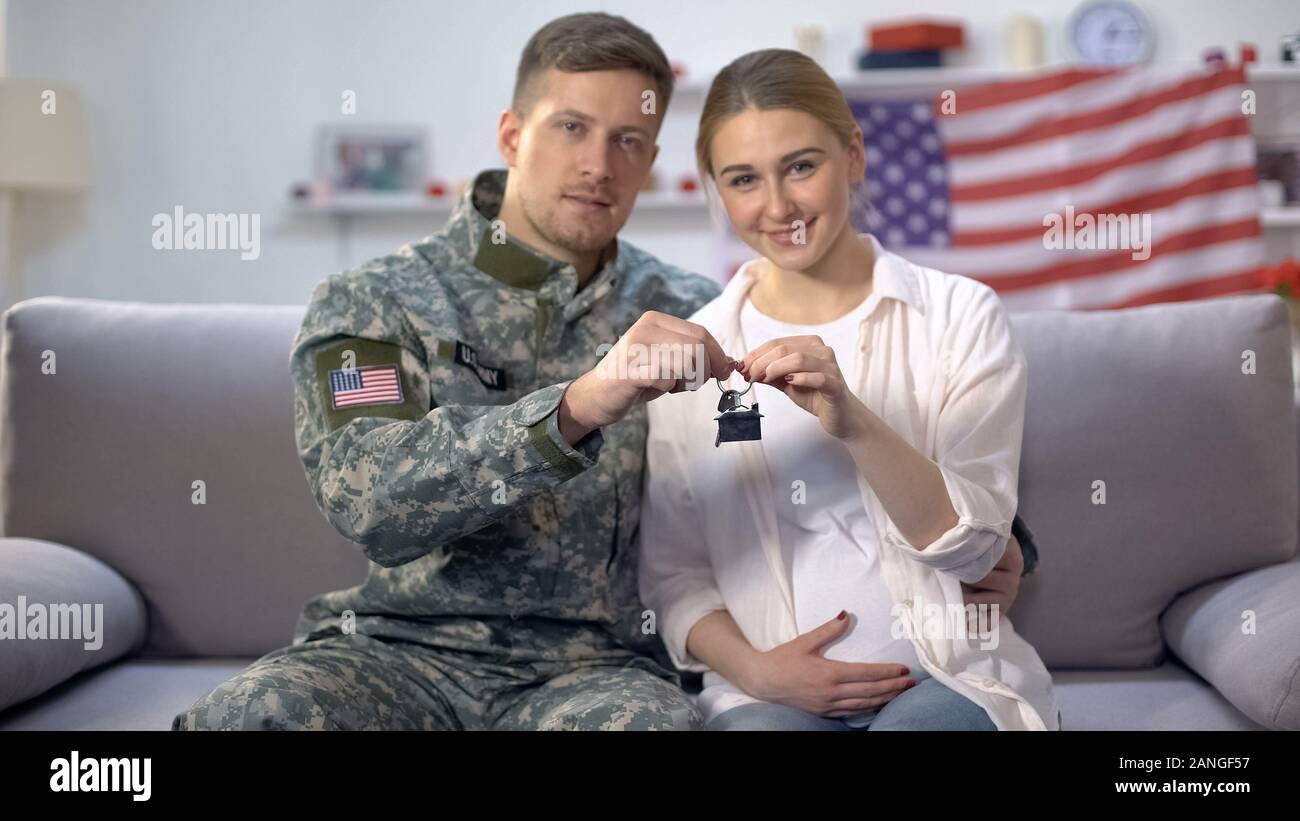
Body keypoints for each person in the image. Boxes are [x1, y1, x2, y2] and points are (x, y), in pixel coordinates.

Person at [173, 15, 1033, 732]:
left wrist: (1010, 547)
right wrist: (579, 405)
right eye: (571, 128)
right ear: (512, 134)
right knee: (255, 715)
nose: (600, 164)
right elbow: (369, 501)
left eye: (631, 140)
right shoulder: (378, 301)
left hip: (599, 672)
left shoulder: (699, 311)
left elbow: (859, 443)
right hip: (400, 653)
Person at [638, 48, 1059, 731]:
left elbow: (979, 546)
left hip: (944, 676)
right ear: (716, 188)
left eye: (802, 166)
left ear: (853, 155)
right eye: (744, 179)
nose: (779, 206)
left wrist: (855, 419)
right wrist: (758, 671)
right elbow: (675, 573)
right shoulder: (697, 349)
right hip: (766, 699)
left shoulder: (960, 314)